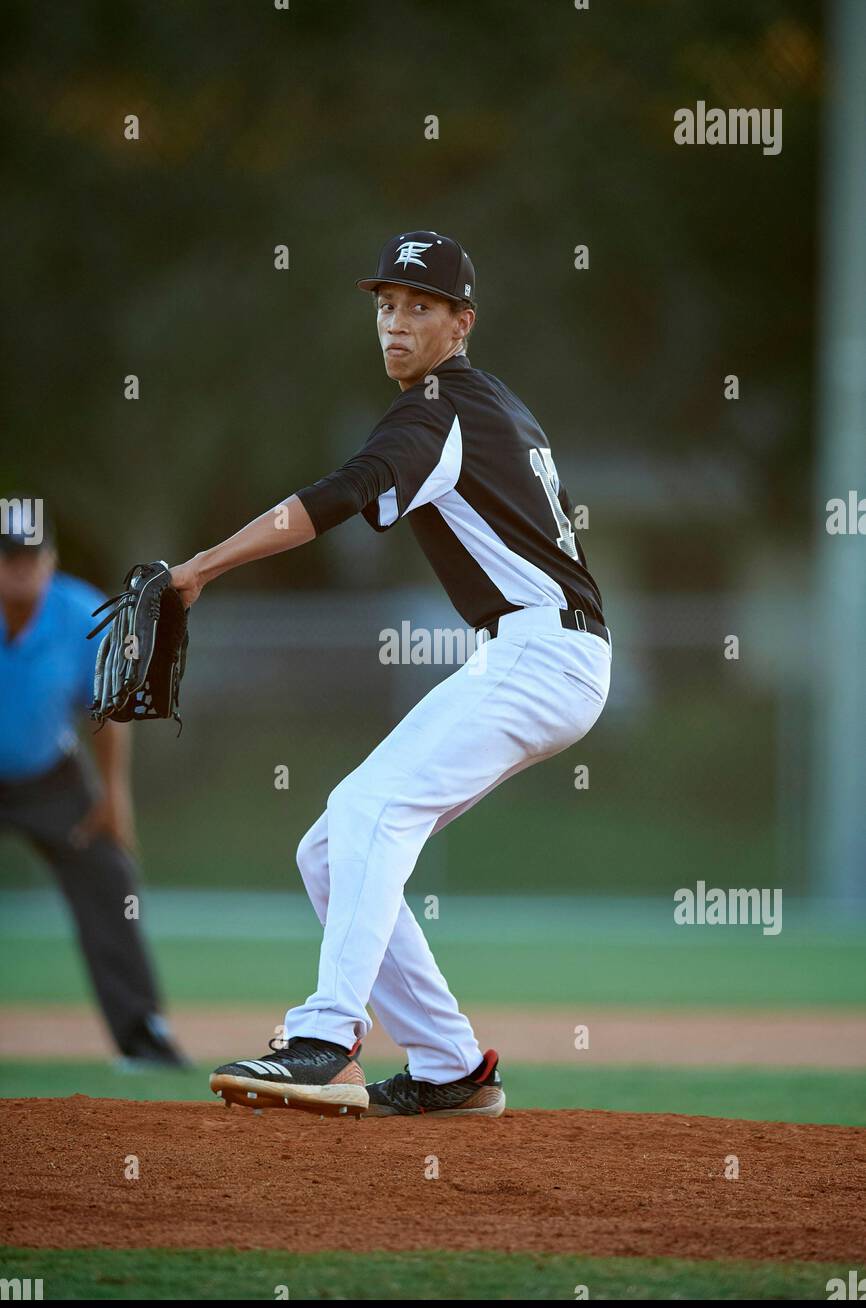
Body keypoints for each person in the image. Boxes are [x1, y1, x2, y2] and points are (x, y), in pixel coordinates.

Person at [170, 230, 611, 1117]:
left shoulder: (437, 407)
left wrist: (197, 570)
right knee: (333, 848)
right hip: (544, 650)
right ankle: (448, 1065)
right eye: (385, 306)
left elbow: (337, 497)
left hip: (543, 651)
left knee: (371, 810)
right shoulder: (482, 404)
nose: (396, 324)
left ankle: (324, 1037)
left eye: (419, 307)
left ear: (461, 322)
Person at [0, 510, 189, 1068]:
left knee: (108, 873)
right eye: (8, 557)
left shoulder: (81, 614)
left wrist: (112, 795)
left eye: (31, 556)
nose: (20, 569)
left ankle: (142, 1033)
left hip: (48, 778)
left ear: (51, 560)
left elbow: (106, 711)